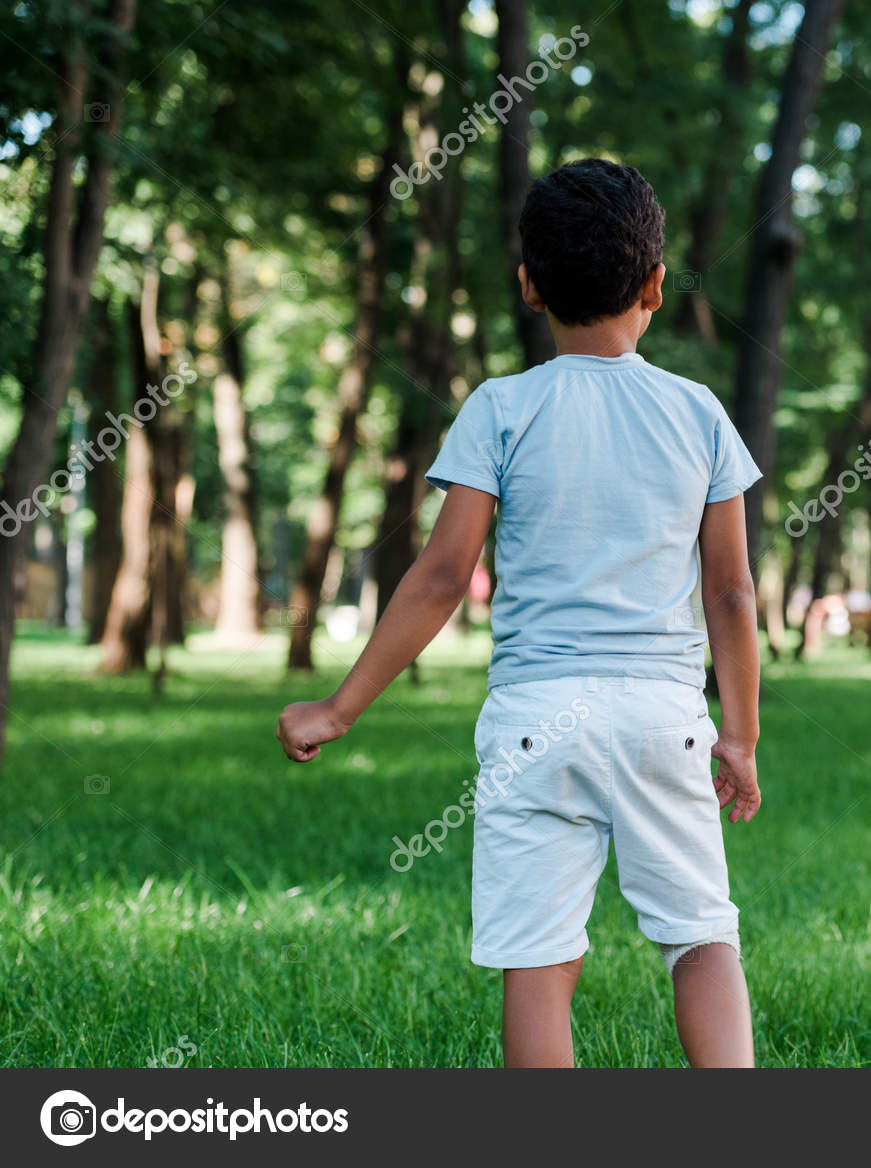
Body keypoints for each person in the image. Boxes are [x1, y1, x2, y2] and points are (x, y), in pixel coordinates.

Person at [276, 159, 763, 1067]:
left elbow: (441, 576)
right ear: (657, 285)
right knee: (700, 937)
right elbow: (732, 591)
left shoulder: (502, 409)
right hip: (665, 718)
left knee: (539, 961)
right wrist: (739, 735)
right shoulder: (698, 413)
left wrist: (338, 708)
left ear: (529, 284)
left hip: (537, 721)